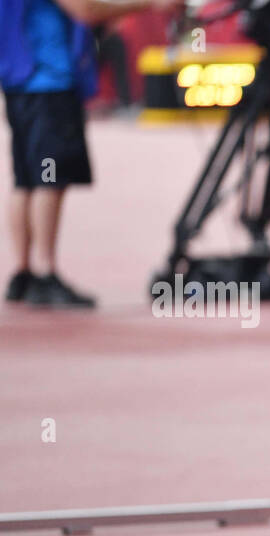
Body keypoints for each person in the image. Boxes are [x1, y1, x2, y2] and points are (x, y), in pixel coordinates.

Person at [1, 0, 176, 308]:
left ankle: (24, 272)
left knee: (27, 179)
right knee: (48, 178)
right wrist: (148, 3)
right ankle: (45, 271)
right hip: (48, 85)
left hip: (23, 84)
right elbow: (86, 9)